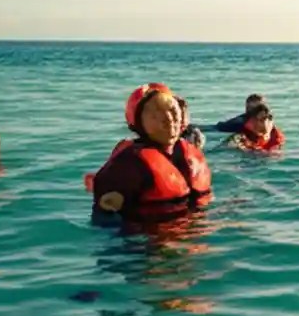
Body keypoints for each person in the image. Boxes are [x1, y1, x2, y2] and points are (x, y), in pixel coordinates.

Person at [91, 83, 212, 222]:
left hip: (194, 227)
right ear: (139, 123)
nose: (168, 119)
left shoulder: (189, 151)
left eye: (173, 111)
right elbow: (105, 218)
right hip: (150, 237)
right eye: (156, 115)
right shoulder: (129, 164)